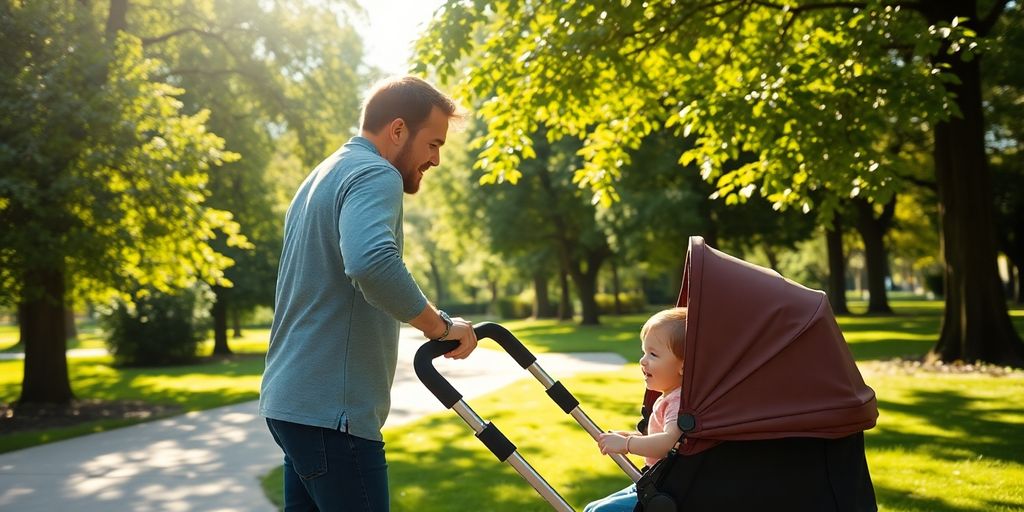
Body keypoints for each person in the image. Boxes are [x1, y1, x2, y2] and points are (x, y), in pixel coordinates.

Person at [259, 76, 479, 512]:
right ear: (398, 130)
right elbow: (371, 262)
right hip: (333, 414)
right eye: (433, 143)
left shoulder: (321, 176)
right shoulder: (376, 172)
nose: (436, 158)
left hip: (292, 404)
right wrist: (442, 327)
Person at [584, 307, 688, 512]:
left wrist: (627, 443)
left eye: (653, 354)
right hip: (655, 479)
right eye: (643, 352)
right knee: (592, 509)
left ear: (683, 366)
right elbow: (663, 437)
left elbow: (667, 443)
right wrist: (632, 436)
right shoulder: (671, 396)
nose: (643, 360)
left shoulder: (678, 403)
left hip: (664, 487)